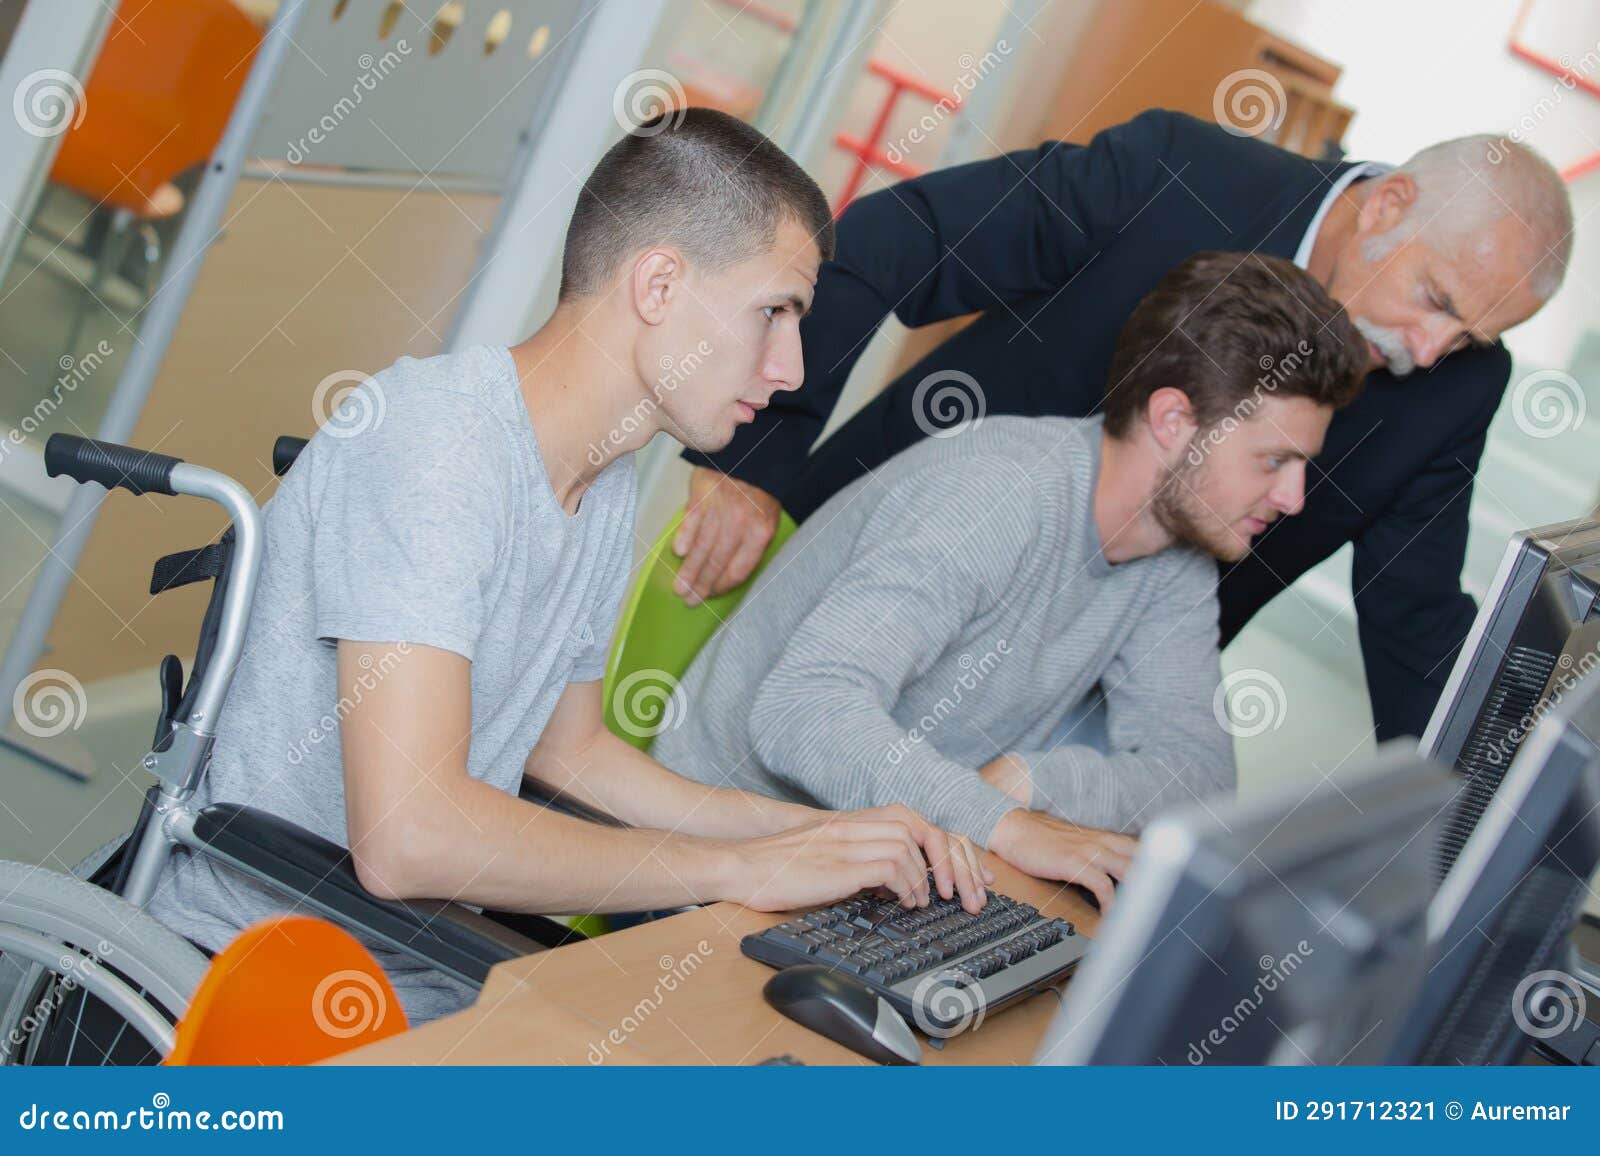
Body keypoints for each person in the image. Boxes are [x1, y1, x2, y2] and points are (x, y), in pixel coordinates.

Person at [146, 109, 989, 1025]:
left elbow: (569, 750)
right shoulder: (440, 447)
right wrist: (743, 868)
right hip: (257, 971)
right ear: (659, 284)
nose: (791, 368)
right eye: (773, 312)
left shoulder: (605, 476)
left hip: (424, 970)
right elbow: (407, 838)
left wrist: (806, 832)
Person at [672, 111, 1573, 742]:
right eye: (1435, 301)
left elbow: (1415, 625)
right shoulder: (1178, 174)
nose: (1426, 350)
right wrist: (757, 456)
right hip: (859, 585)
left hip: (1061, 719)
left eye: (1471, 336)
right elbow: (891, 241)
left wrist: (1501, 810)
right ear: (1387, 205)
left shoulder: (1456, 387)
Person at [652, 251, 1370, 909]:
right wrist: (1006, 825)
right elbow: (801, 712)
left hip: (877, 867)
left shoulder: (1176, 557)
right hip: (720, 858)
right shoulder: (999, 494)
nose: (1293, 498)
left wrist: (1036, 783)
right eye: (1273, 461)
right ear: (1174, 420)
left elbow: (1201, 784)